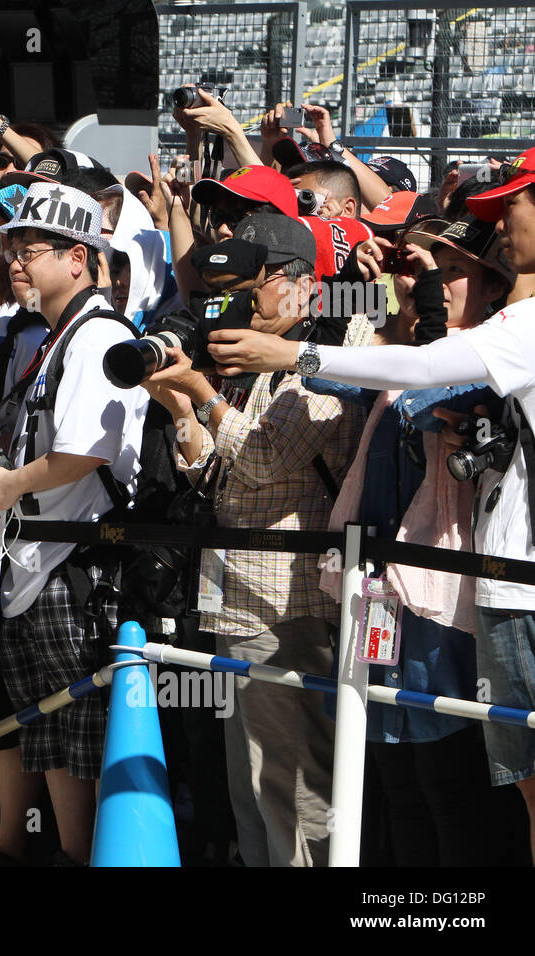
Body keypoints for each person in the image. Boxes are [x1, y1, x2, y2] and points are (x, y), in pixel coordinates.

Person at [205, 148, 535, 860]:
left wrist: (292, 351)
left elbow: (415, 379)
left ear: (491, 281)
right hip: (385, 598)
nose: (430, 284)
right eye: (420, 269)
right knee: (396, 785)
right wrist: (370, 294)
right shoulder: (394, 343)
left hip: (451, 602)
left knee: (457, 791)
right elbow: (362, 376)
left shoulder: (491, 357)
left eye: (447, 271)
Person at [143, 212, 370, 867]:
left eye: (255, 280)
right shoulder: (247, 352)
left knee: (295, 784)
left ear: (301, 285)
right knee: (249, 783)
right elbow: (210, 471)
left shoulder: (332, 346)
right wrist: (183, 409)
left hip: (290, 607)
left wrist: (202, 395)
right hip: (233, 595)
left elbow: (270, 456)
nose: (241, 296)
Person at [0, 181, 147, 866]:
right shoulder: (57, 336)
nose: (14, 260)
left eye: (30, 248)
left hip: (72, 568)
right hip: (38, 566)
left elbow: (82, 454)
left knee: (78, 742)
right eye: (11, 246)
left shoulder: (97, 335)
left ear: (78, 257)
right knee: (54, 741)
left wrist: (10, 481)